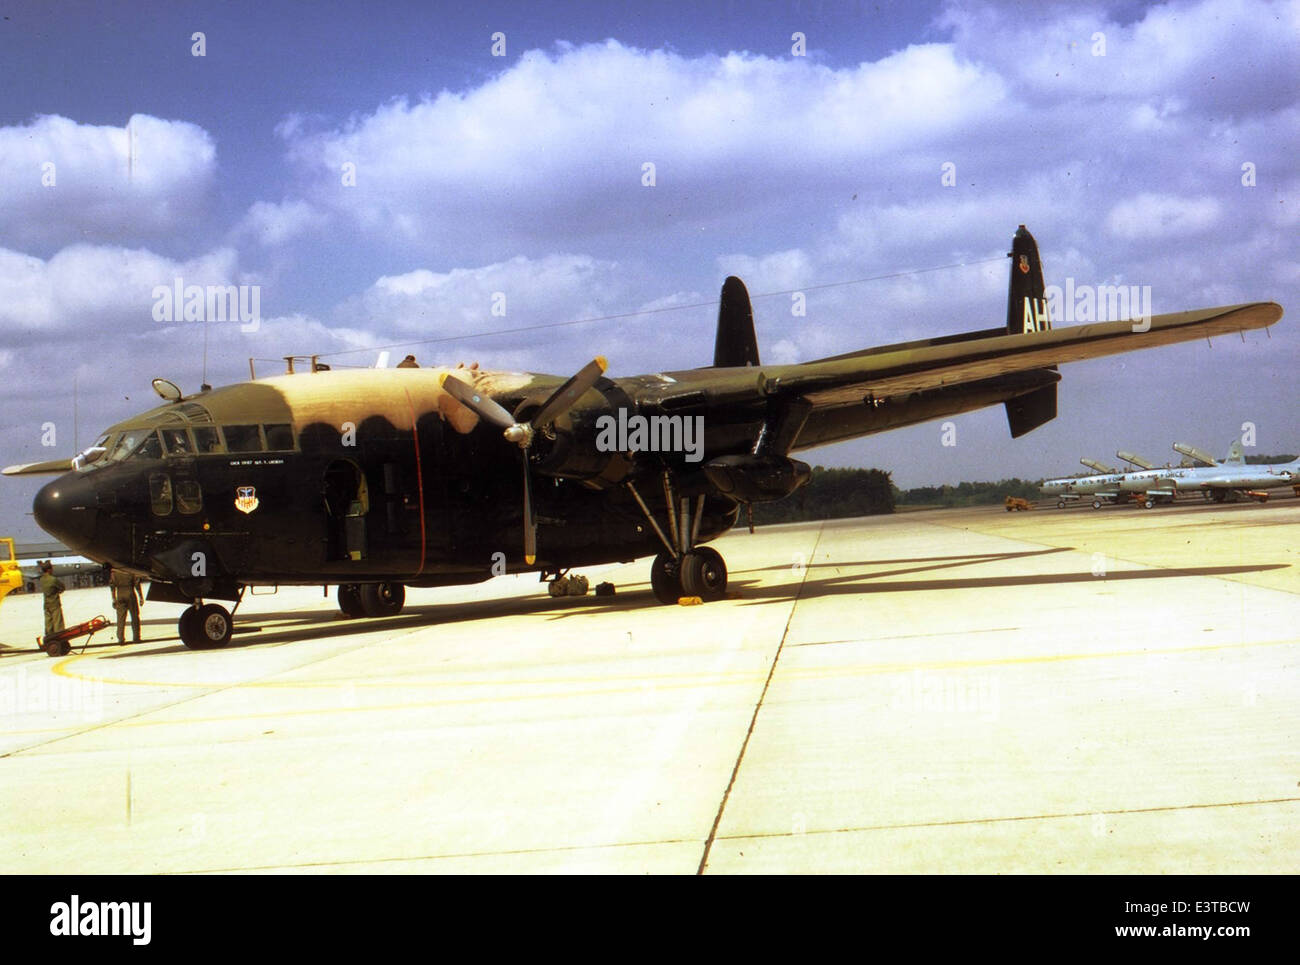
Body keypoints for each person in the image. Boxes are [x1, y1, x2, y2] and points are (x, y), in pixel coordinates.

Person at [109, 566, 144, 643]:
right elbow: (137, 584)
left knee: (120, 618)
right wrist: (141, 596)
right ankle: (136, 637)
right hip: (130, 593)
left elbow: (112, 586)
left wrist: (114, 599)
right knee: (134, 617)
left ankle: (120, 638)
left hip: (120, 595)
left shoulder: (114, 573)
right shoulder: (129, 570)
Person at [38, 561, 65, 641]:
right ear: (49, 569)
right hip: (54, 604)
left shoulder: (42, 579)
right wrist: (58, 591)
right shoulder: (53, 579)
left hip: (46, 605)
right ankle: (59, 639)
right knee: (58, 623)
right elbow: (62, 587)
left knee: (48, 623)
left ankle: (49, 638)